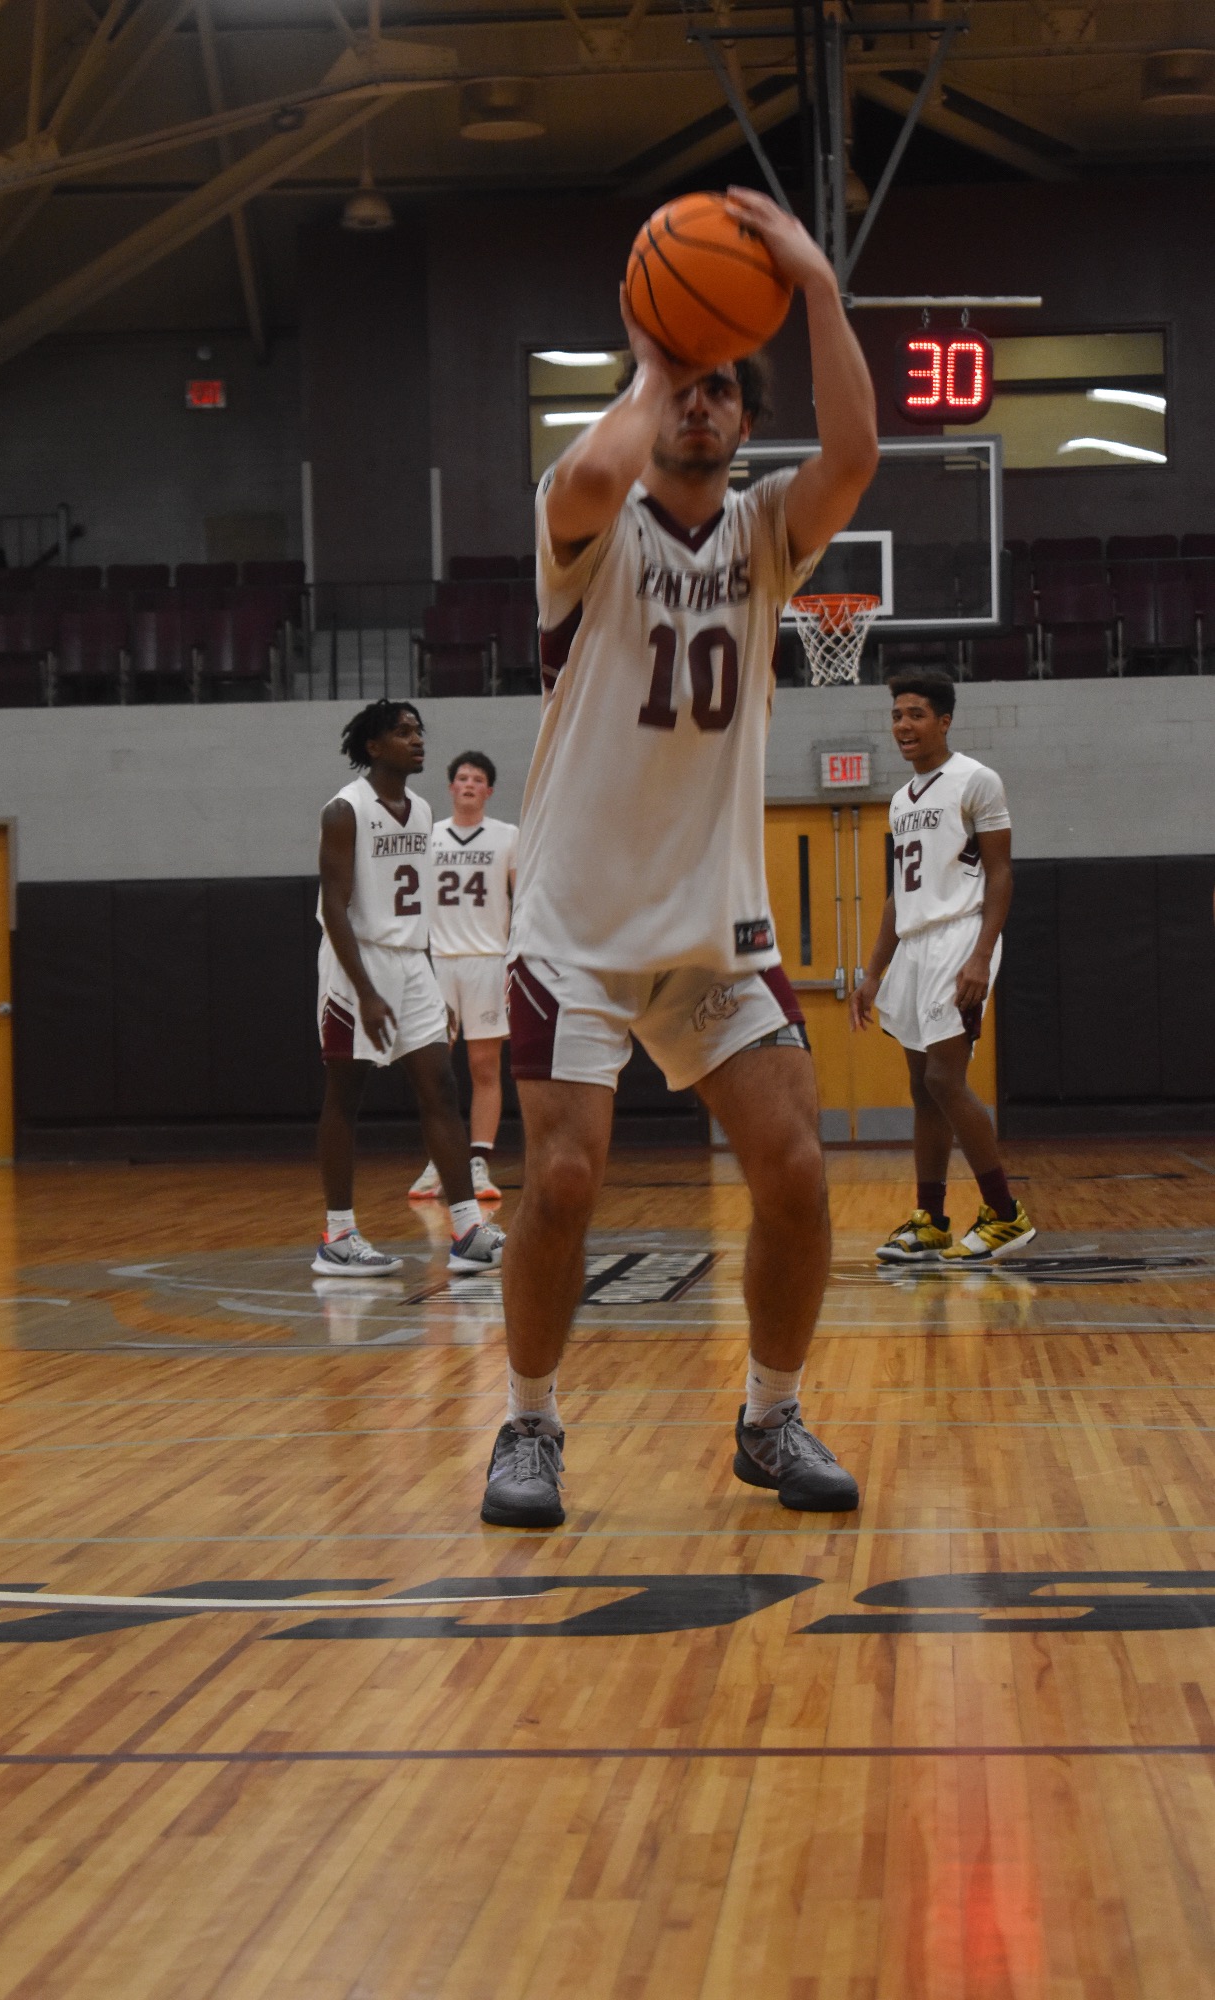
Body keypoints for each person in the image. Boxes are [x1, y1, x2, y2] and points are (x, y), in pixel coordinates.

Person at [478, 185, 879, 1531]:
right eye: (681, 388)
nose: (698, 406)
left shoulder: (766, 537)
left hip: (712, 930)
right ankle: (526, 1427)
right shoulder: (588, 521)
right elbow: (597, 473)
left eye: (721, 392)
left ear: (747, 424)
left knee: (797, 1173)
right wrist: (657, 348)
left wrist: (814, 287)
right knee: (567, 1180)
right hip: (577, 928)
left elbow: (857, 456)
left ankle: (769, 1419)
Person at [312, 699, 505, 1278]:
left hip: (413, 961)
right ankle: (338, 1236)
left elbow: (415, 901)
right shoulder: (344, 811)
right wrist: (368, 991)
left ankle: (468, 1228)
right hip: (356, 964)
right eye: (403, 732)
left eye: (419, 731)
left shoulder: (421, 810)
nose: (418, 740)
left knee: (442, 1086)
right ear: (373, 746)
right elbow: (334, 907)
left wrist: (425, 974)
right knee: (347, 1094)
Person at [849, 670, 1035, 1264]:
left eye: (917, 714)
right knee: (920, 1087)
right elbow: (894, 895)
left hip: (961, 937)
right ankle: (929, 1219)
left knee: (943, 1080)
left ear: (945, 720)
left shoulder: (976, 780)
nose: (904, 724)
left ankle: (1006, 1215)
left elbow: (1002, 874)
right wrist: (872, 971)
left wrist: (981, 953)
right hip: (914, 945)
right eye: (898, 714)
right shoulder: (902, 798)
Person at [410, 750, 518, 1205]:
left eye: (477, 779)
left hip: (489, 960)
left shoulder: (509, 836)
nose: (469, 784)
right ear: (451, 788)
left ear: (489, 791)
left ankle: (477, 1161)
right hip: (440, 962)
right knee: (435, 1069)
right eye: (462, 778)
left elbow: (526, 897)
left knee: (484, 1067)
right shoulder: (427, 837)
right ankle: (440, 1158)